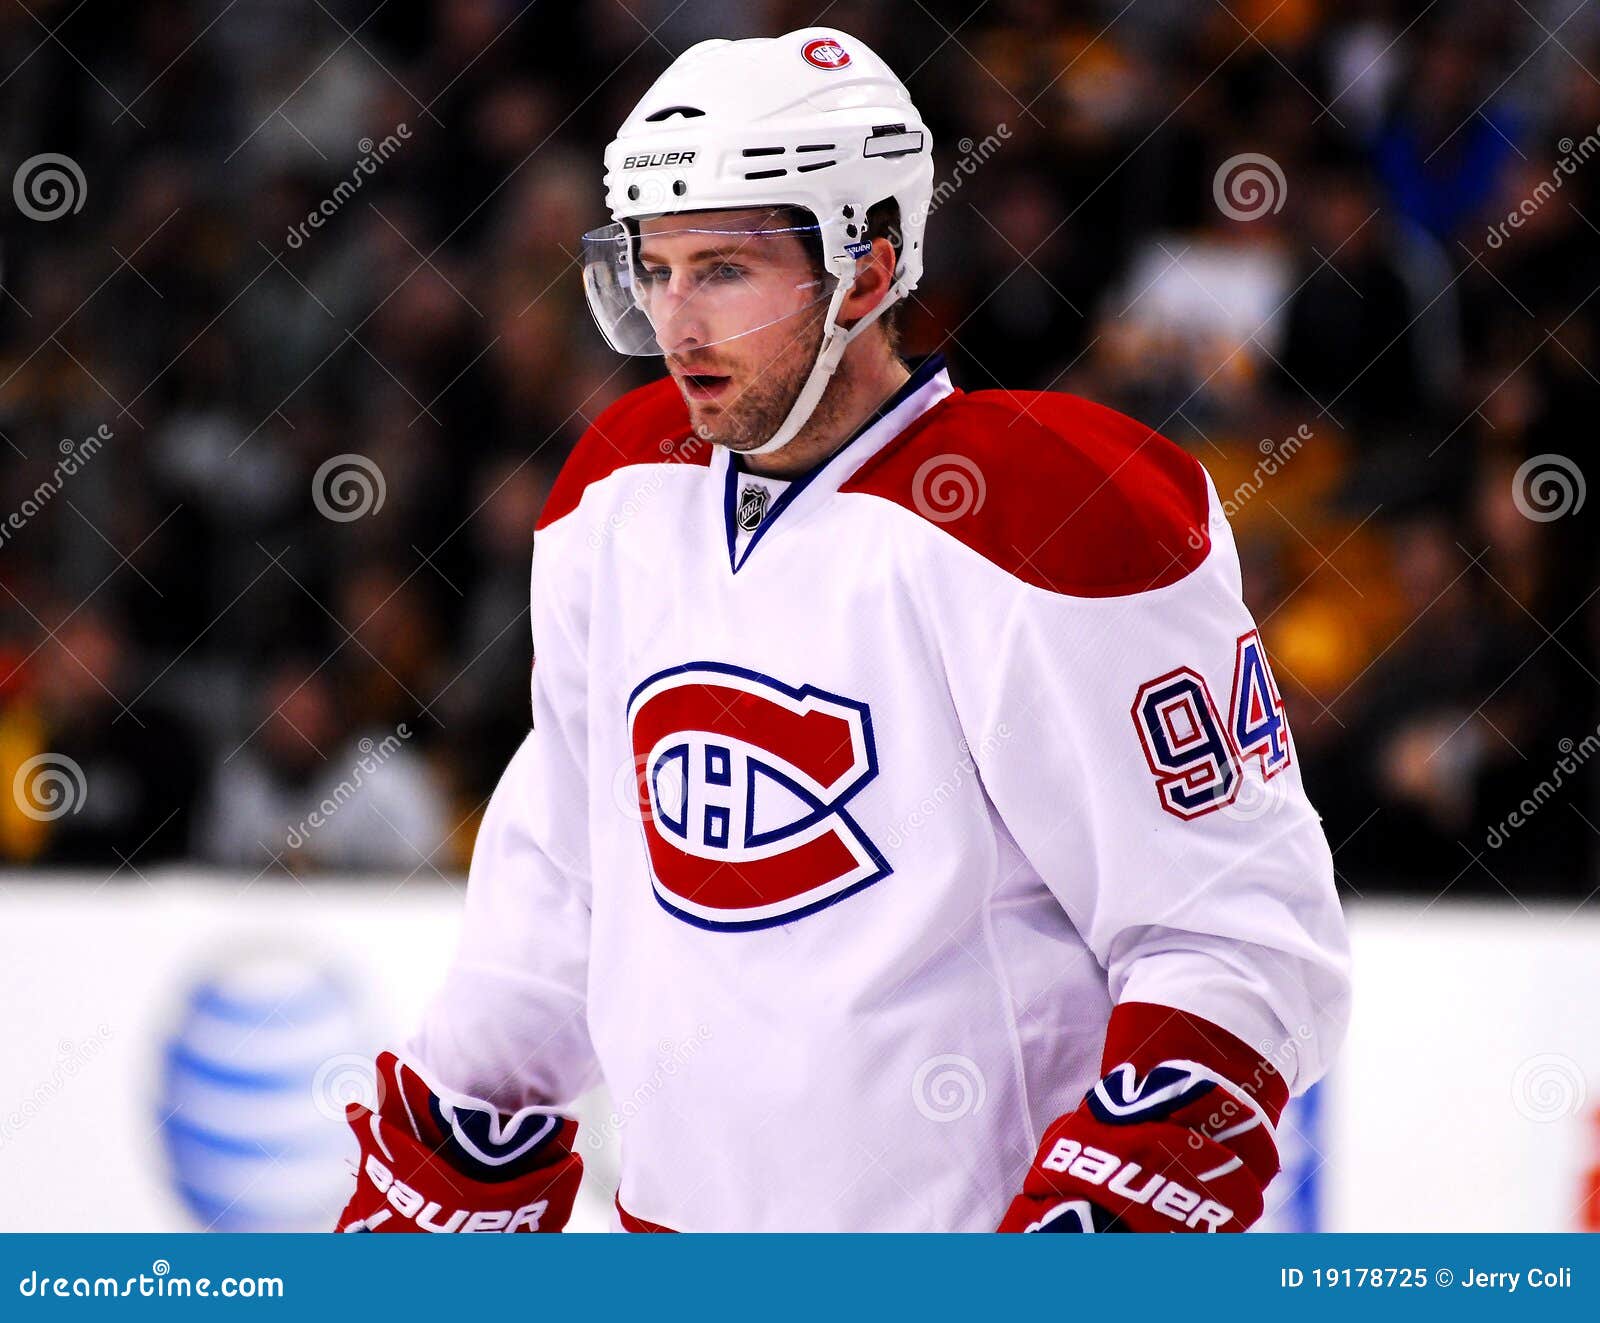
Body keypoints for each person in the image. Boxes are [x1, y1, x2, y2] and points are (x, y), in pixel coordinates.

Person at [336, 28, 1350, 1235]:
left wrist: (1100, 1235)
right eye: (652, 270)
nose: (677, 324)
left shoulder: (1044, 517)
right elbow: (563, 880)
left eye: (722, 271)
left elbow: (1233, 930)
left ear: (864, 275)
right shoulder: (621, 489)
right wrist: (450, 1152)